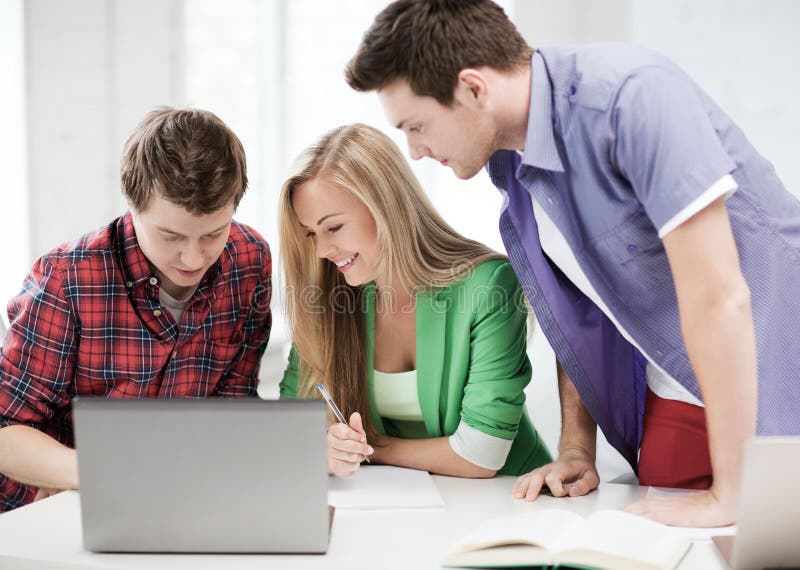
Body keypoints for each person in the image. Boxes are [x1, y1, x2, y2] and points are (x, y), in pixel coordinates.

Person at [344, 0, 800, 526]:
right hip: (677, 396)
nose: (416, 150)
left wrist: (734, 491)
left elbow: (719, 297)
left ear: (473, 88)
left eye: (417, 125)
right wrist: (576, 448)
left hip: (773, 379)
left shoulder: (631, 97)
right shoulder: (509, 165)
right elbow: (577, 308)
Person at [0, 108, 273, 512]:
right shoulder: (68, 280)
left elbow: (233, 407)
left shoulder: (249, 261)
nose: (193, 257)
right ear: (133, 204)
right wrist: (100, 473)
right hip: (55, 507)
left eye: (214, 232)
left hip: (179, 502)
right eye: (171, 235)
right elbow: (7, 429)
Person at [278, 123, 551, 478]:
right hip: (399, 505)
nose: (322, 250)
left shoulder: (489, 286)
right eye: (310, 234)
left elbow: (482, 454)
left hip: (510, 499)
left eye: (334, 228)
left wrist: (367, 448)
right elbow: (288, 428)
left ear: (386, 207)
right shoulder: (329, 298)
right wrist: (324, 447)